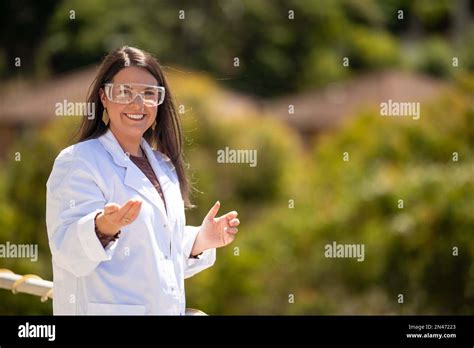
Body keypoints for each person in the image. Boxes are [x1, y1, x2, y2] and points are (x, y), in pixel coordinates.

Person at [46, 46, 240, 315]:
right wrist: (103, 227)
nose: (138, 104)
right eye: (125, 92)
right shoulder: (78, 161)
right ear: (104, 97)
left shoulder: (163, 166)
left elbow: (153, 258)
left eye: (149, 94)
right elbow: (67, 252)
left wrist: (200, 240)